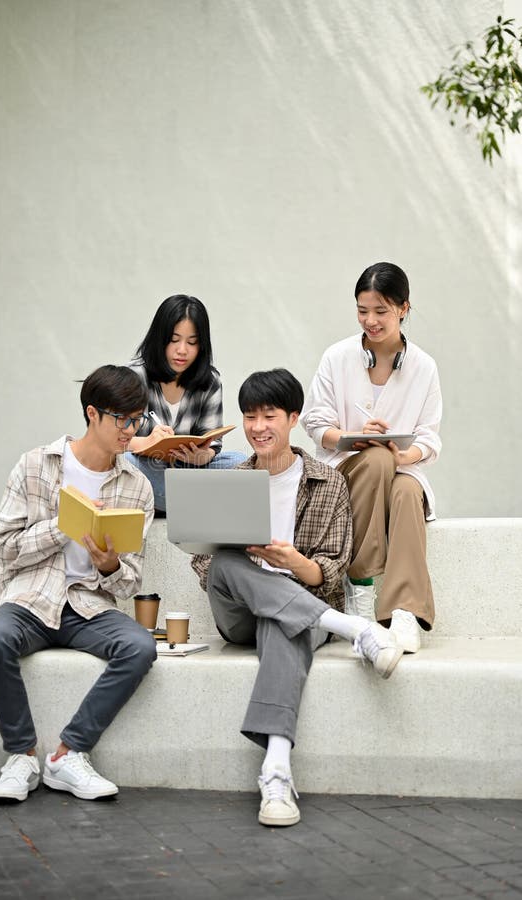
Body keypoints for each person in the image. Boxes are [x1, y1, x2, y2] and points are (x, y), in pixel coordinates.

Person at [191, 368, 403, 828]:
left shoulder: (327, 482)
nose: (258, 427)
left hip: (302, 607)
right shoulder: (228, 481)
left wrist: (291, 563)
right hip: (241, 613)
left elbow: (329, 571)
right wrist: (254, 570)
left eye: (269, 415)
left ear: (292, 418)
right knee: (228, 564)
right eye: (250, 416)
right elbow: (206, 566)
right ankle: (356, 629)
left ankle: (276, 771)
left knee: (281, 619)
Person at [0, 365, 157, 803]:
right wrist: (62, 527)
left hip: (88, 607)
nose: (130, 431)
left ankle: (68, 754)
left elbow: (128, 582)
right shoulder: (37, 464)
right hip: (31, 598)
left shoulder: (137, 487)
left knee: (139, 647)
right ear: (92, 414)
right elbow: (3, 548)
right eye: (122, 420)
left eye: (138, 420)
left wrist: (110, 566)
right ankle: (21, 756)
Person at [300, 262, 442, 654]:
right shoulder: (338, 356)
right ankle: (360, 588)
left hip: (399, 468)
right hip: (344, 469)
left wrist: (403, 454)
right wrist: (351, 439)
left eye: (381, 311)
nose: (371, 321)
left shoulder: (424, 367)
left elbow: (430, 438)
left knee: (407, 493)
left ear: (403, 308)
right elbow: (314, 421)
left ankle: (403, 611)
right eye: (363, 311)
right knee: (377, 460)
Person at [125, 294, 245, 512]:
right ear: (159, 339)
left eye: (192, 342)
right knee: (126, 464)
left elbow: (214, 443)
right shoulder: (135, 377)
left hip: (190, 471)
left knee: (239, 461)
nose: (182, 350)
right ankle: (195, 506)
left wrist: (202, 456)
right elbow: (114, 440)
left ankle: (177, 503)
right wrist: (146, 443)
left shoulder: (210, 381)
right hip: (149, 468)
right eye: (174, 340)